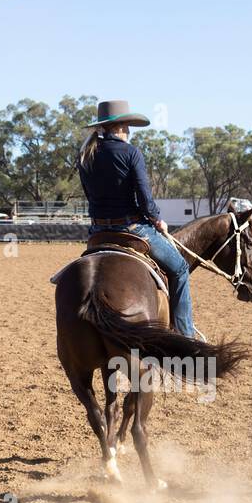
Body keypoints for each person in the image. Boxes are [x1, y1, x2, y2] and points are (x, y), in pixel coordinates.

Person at [77, 99, 196, 338]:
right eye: (128, 125)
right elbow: (144, 197)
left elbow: (90, 195)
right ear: (122, 127)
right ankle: (185, 335)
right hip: (132, 228)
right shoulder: (131, 153)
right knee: (181, 269)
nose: (129, 130)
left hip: (98, 232)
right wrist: (156, 219)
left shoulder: (85, 155)